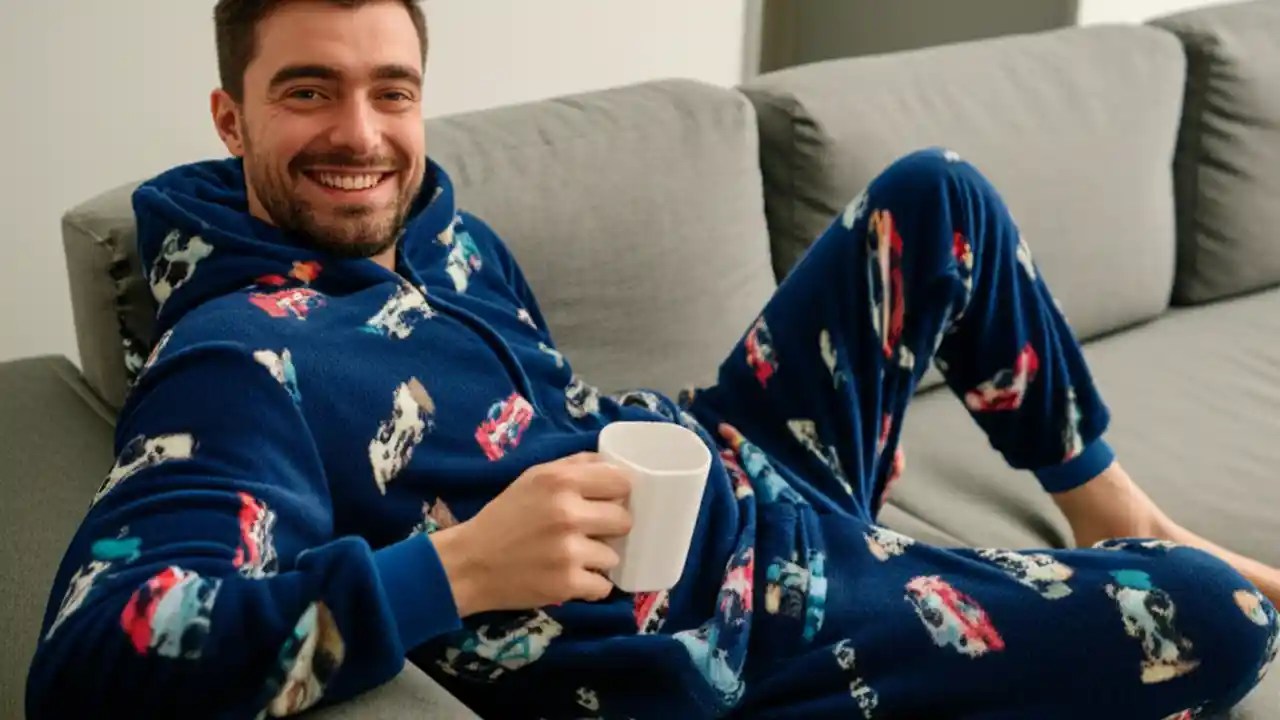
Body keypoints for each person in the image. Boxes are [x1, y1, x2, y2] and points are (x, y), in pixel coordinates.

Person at [26, 1, 1279, 718]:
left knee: (933, 196)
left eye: (390, 92)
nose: (360, 134)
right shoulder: (234, 363)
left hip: (723, 472)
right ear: (231, 116)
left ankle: (1118, 513)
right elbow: (93, 670)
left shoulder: (439, 229)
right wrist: (447, 574)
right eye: (308, 93)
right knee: (1215, 622)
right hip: (738, 628)